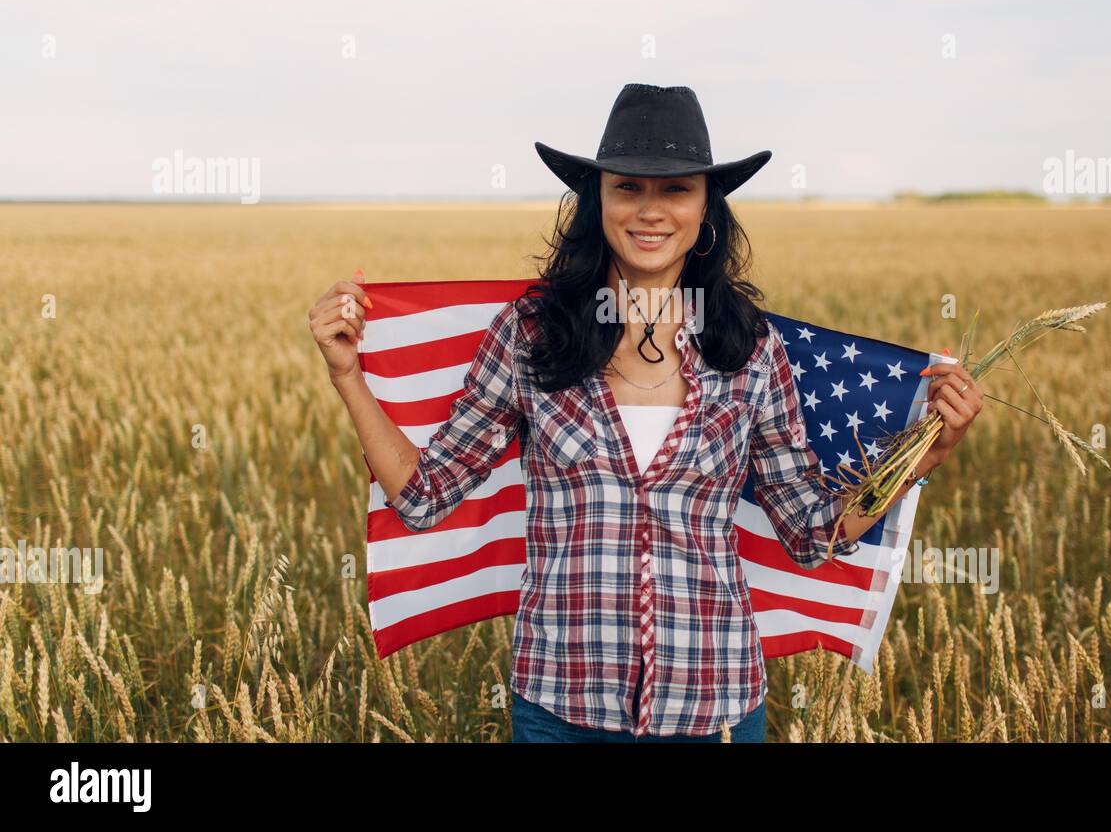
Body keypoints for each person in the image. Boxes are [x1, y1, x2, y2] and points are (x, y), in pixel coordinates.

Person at [308, 83, 983, 742]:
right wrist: (348, 375)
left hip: (715, 708)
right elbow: (423, 497)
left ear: (706, 208)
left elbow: (811, 534)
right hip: (559, 708)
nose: (650, 210)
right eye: (628, 186)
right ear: (597, 200)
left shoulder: (750, 348)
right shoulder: (530, 334)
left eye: (676, 189)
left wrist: (931, 453)